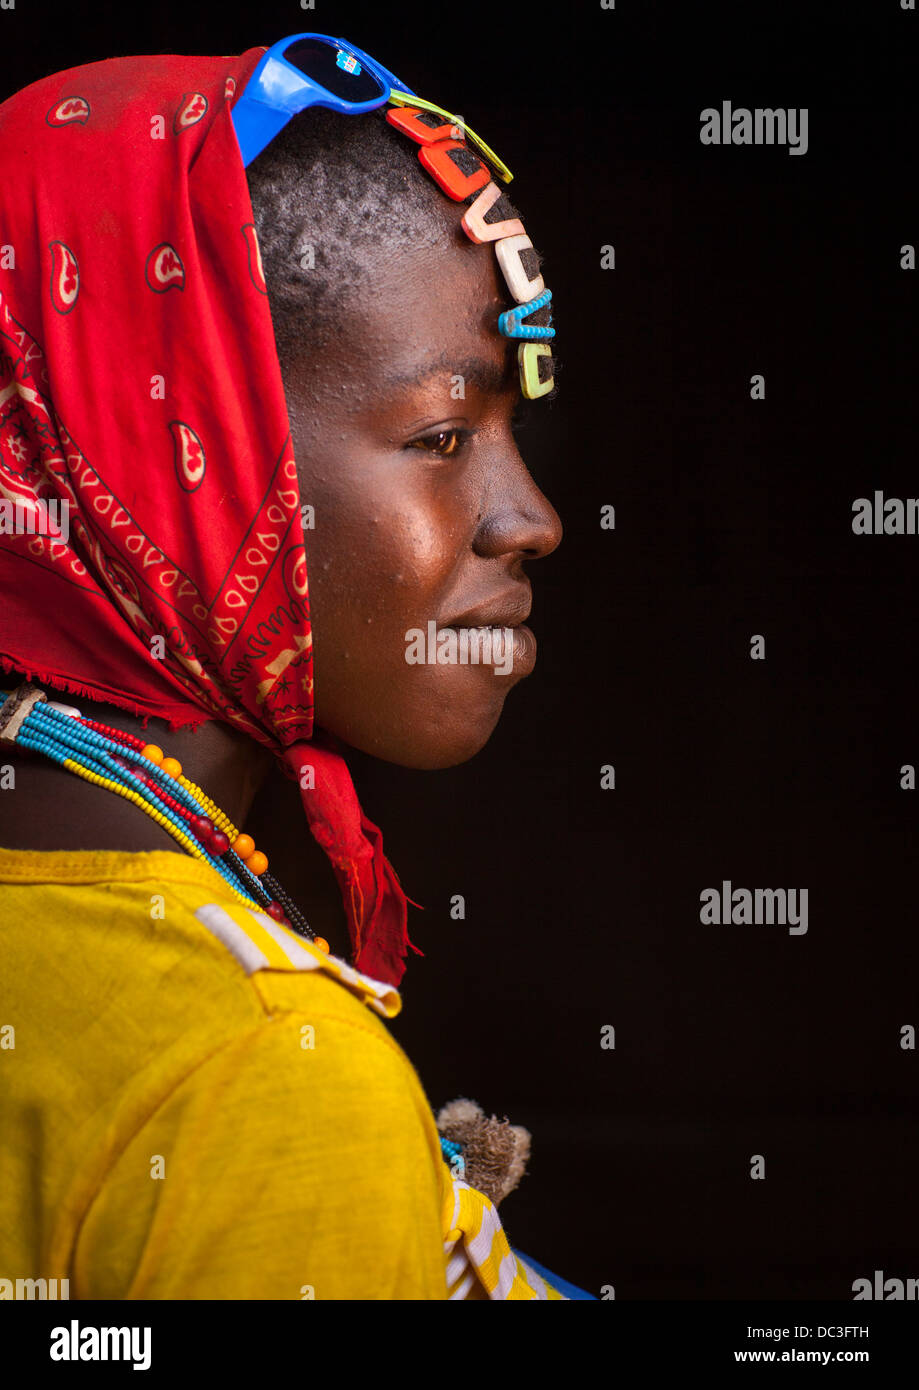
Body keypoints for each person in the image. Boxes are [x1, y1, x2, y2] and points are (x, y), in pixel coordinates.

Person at [0, 36, 588, 1299]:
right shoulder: (261, 1076)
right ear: (168, 447)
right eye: (442, 433)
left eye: (508, 431)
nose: (529, 516)